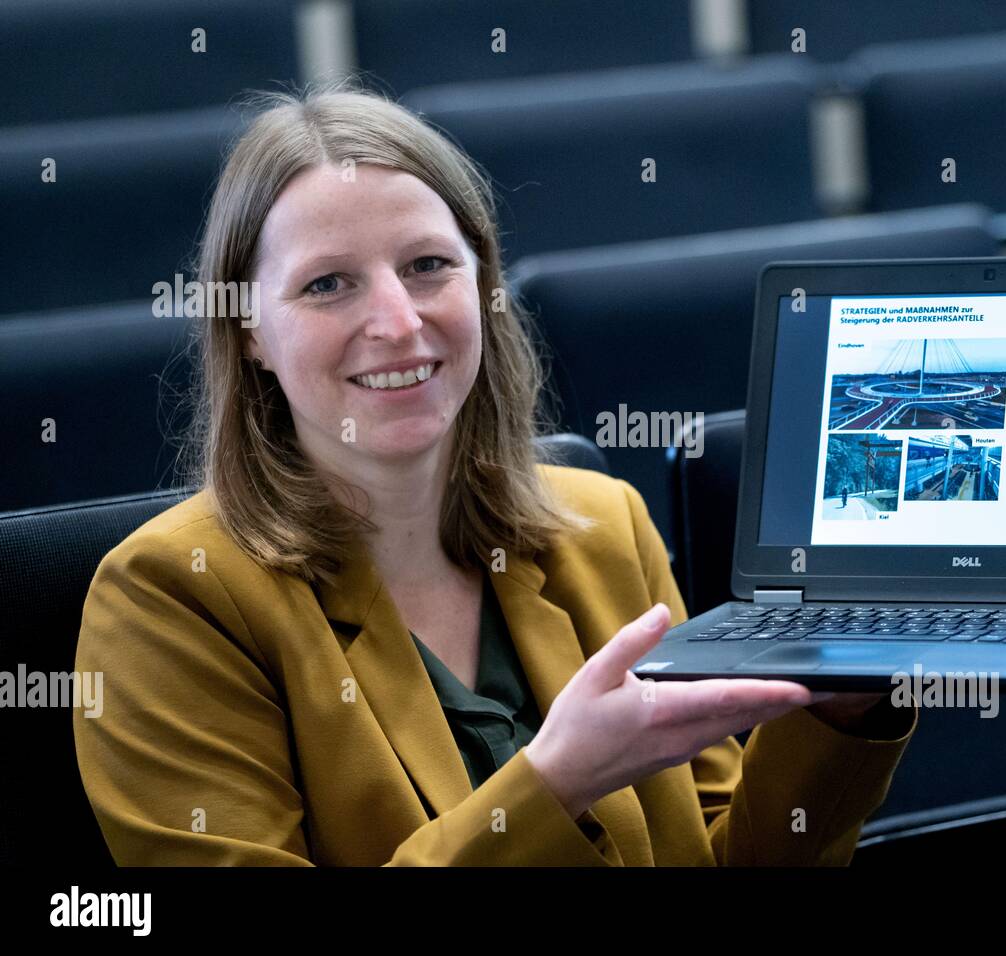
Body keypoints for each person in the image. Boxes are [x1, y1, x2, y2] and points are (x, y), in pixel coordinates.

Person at [73, 80, 917, 867]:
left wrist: (839, 714)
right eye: (329, 284)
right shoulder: (168, 597)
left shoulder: (603, 522)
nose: (400, 323)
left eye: (428, 266)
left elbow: (725, 858)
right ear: (247, 329)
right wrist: (554, 784)